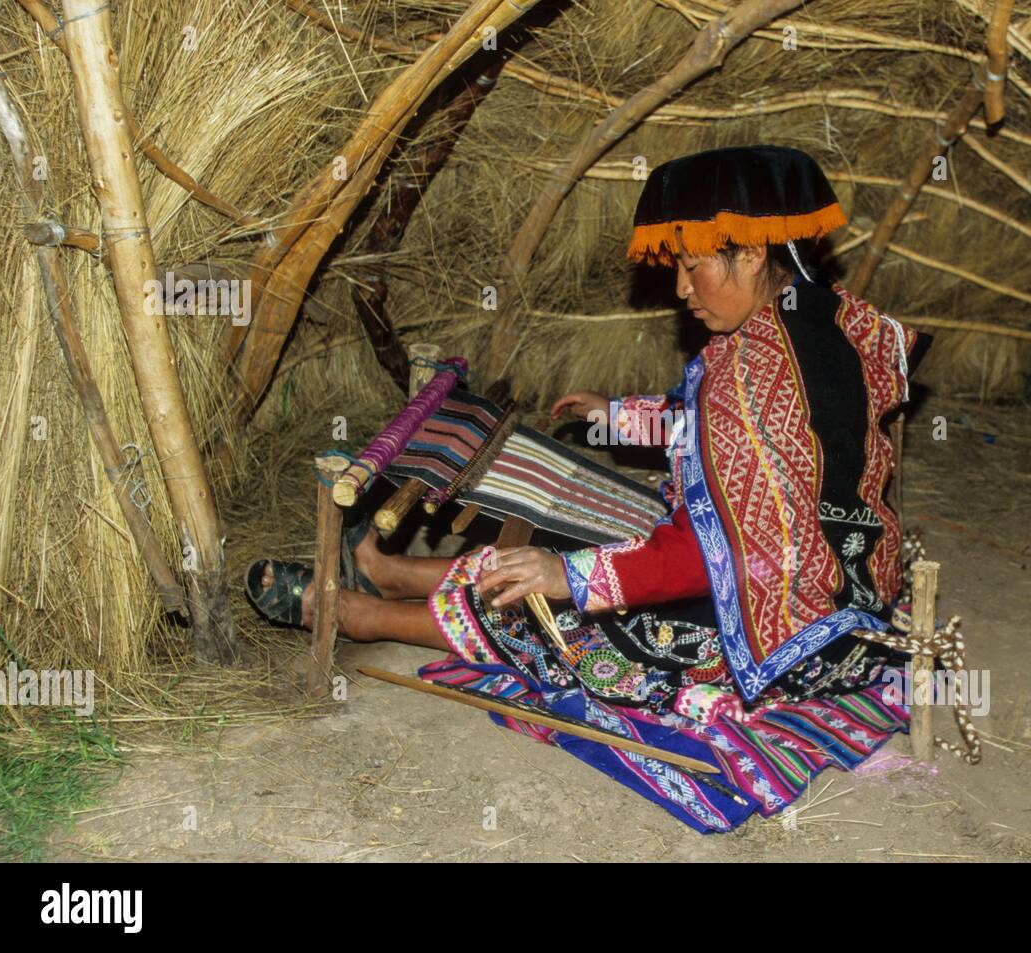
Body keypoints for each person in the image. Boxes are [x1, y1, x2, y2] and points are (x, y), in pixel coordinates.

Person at [247, 144, 928, 724]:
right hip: (858, 586)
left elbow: (708, 556)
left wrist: (567, 576)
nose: (682, 289)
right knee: (583, 550)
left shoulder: (752, 374)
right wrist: (620, 415)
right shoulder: (823, 317)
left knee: (559, 605)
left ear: (751, 253)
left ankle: (369, 618)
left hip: (793, 640)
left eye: (694, 267)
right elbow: (745, 440)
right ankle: (390, 570)